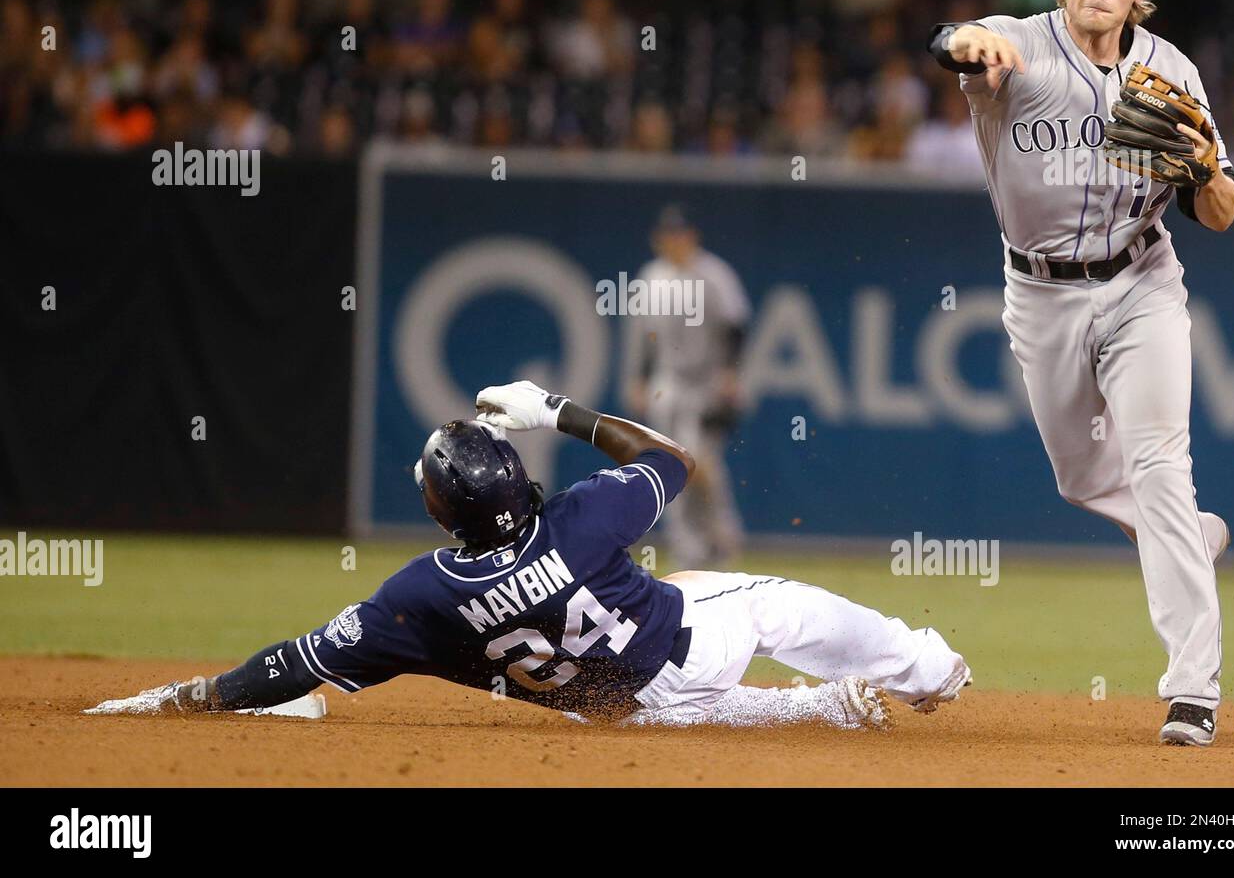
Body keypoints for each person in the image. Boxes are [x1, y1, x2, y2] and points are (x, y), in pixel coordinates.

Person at [86, 380, 970, 730]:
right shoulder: (579, 521)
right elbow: (672, 459)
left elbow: (297, 659)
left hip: (617, 706)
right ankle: (929, 668)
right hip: (686, 649)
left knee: (663, 698)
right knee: (783, 606)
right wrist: (555, 410)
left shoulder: (418, 597)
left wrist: (200, 694)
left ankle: (829, 713)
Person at [927, 0, 1234, 746]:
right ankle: (1189, 537)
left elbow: (1220, 210)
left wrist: (1205, 167)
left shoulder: (1172, 69)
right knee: (1079, 476)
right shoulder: (1016, 43)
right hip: (1041, 293)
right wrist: (963, 41)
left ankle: (1193, 690)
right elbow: (954, 41)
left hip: (1144, 279)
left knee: (1160, 464)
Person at [626, 206, 750, 568]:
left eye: (680, 234)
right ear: (658, 240)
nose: (675, 242)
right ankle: (687, 551)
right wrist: (640, 379)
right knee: (668, 466)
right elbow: (645, 337)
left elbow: (736, 327)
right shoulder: (651, 277)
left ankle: (722, 538)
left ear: (692, 237)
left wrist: (730, 373)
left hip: (707, 380)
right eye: (668, 236)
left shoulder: (714, 273)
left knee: (701, 462)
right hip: (668, 380)